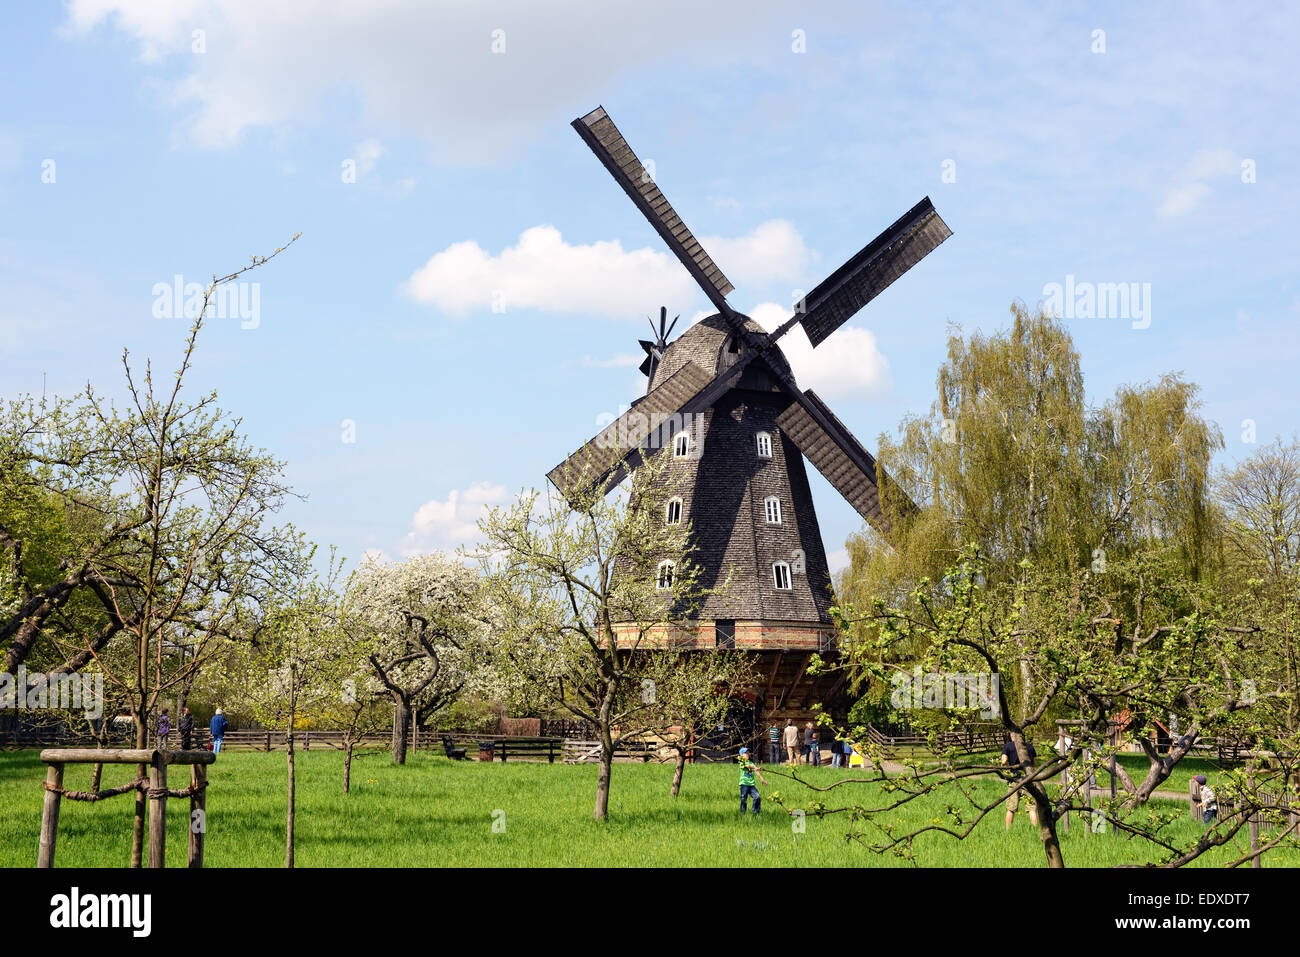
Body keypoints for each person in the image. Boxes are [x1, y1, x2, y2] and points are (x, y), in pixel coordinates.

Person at [1000, 735, 1039, 830]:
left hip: (1014, 780)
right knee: (1032, 808)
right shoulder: (1029, 746)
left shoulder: (1008, 746)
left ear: (1011, 735)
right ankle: (1035, 830)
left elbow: (1004, 761)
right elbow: (1034, 763)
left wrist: (1003, 765)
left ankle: (1008, 830)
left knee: (1011, 808)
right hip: (1028, 779)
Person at [737, 747, 767, 814]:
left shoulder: (751, 763)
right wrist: (755, 767)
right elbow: (748, 766)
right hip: (744, 784)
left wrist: (762, 779)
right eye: (745, 753)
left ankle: (755, 812)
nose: (747, 754)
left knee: (757, 797)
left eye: (748, 752)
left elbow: (756, 771)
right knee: (743, 799)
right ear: (741, 755)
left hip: (751, 785)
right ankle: (743, 813)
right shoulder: (742, 763)